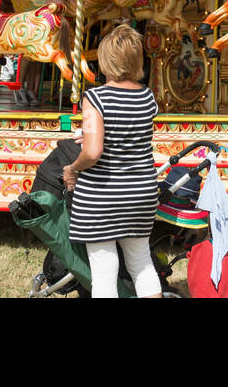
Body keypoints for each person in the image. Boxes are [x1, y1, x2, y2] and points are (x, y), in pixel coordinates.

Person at [61, 25, 160, 298]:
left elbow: (93, 153)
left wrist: (72, 168)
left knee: (104, 270)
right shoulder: (147, 97)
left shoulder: (95, 97)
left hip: (103, 195)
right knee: (141, 263)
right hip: (141, 191)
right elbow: (130, 135)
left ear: (107, 60)